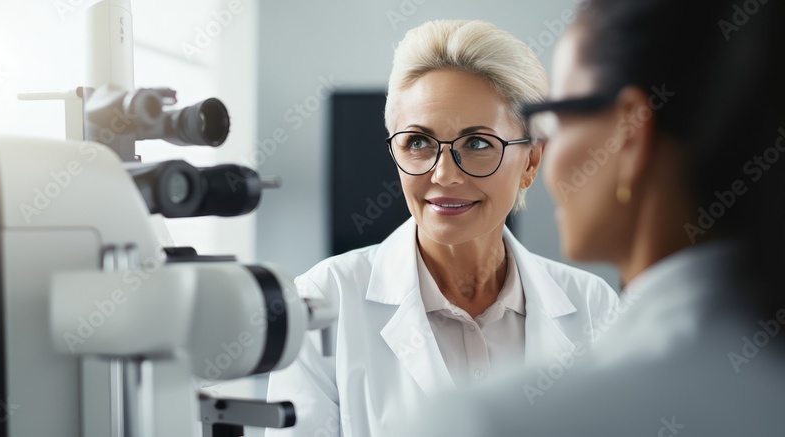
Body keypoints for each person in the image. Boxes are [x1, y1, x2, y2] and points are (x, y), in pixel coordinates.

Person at [404, 0, 785, 435]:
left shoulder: (490, 421)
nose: (444, 174)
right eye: (418, 142)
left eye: (556, 120)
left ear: (629, 136)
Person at [265, 20, 619, 437]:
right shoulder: (323, 303)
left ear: (531, 160)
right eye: (418, 142)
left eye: (478, 143)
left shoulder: (593, 308)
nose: (444, 175)